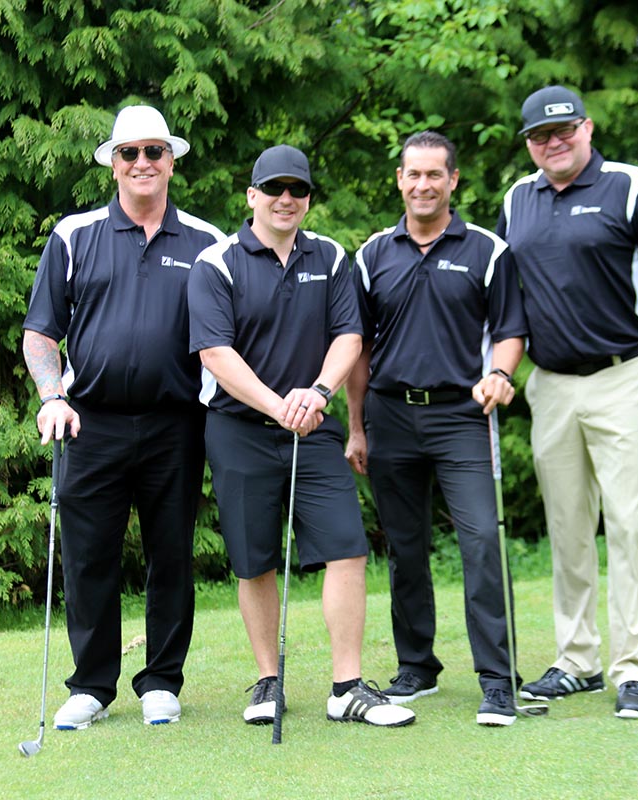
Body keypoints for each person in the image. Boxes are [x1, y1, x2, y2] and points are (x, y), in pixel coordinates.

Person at [497, 86, 638, 719]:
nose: (554, 143)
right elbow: (503, 296)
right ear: (529, 144)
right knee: (568, 527)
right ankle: (577, 661)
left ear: (588, 128)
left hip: (627, 376)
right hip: (551, 384)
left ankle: (633, 668)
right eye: (540, 136)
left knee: (630, 525)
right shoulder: (517, 199)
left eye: (564, 130)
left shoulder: (633, 187)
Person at [188, 144, 414, 729]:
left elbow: (349, 336)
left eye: (297, 190)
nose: (285, 199)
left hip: (313, 428)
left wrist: (317, 392)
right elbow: (215, 353)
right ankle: (269, 680)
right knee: (253, 559)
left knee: (347, 547)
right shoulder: (217, 263)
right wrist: (277, 405)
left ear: (308, 199)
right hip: (238, 428)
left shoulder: (331, 256)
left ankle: (347, 687)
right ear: (252, 196)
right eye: (274, 189)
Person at [22, 105, 224, 729]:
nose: (142, 163)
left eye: (154, 151)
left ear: (171, 162)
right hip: (90, 421)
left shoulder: (207, 242)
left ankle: (161, 681)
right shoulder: (74, 234)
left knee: (172, 556)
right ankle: (91, 686)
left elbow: (226, 339)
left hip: (176, 423)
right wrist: (51, 396)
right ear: (113, 164)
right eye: (129, 153)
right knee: (89, 558)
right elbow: (40, 333)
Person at [345, 131, 528, 726]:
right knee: (405, 548)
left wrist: (500, 373)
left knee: (481, 542)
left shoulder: (487, 250)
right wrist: (356, 427)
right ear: (399, 180)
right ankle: (417, 666)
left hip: (461, 417)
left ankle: (497, 680)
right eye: (413, 174)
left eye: (434, 175)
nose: (423, 185)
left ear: (453, 180)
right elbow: (357, 348)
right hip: (390, 415)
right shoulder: (373, 254)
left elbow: (510, 330)